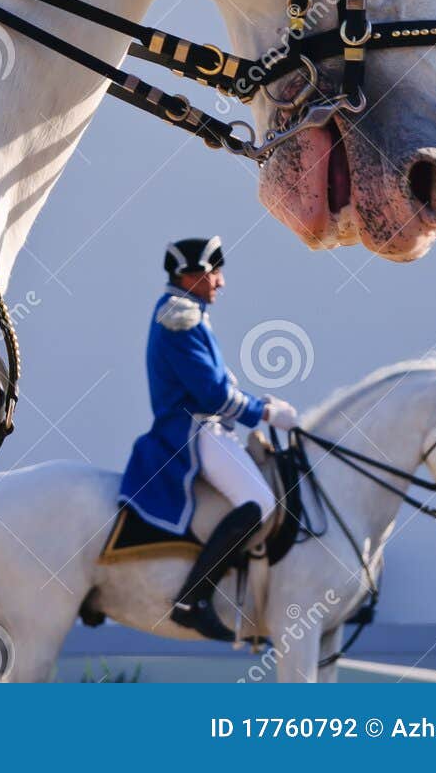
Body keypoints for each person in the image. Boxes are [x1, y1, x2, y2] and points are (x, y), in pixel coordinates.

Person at [119, 236, 296, 642]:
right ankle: (191, 600)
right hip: (191, 429)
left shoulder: (187, 311)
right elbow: (213, 394)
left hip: (206, 424)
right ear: (190, 275)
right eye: (214, 272)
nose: (220, 282)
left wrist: (257, 402)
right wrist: (265, 412)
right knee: (261, 503)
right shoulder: (179, 317)